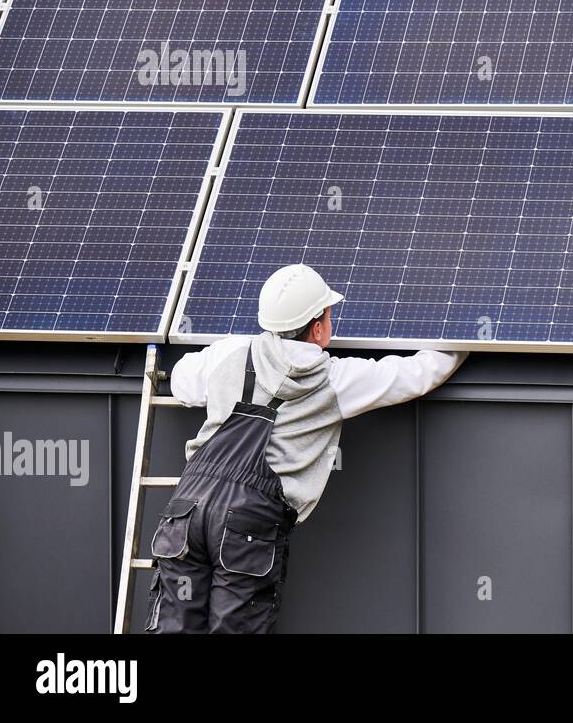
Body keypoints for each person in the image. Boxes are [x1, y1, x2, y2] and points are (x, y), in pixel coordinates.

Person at [145, 263, 466, 633]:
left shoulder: (231, 353)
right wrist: (464, 340)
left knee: (173, 626)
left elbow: (182, 381)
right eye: (329, 314)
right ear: (317, 327)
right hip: (246, 524)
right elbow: (415, 375)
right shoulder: (335, 379)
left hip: (185, 510)